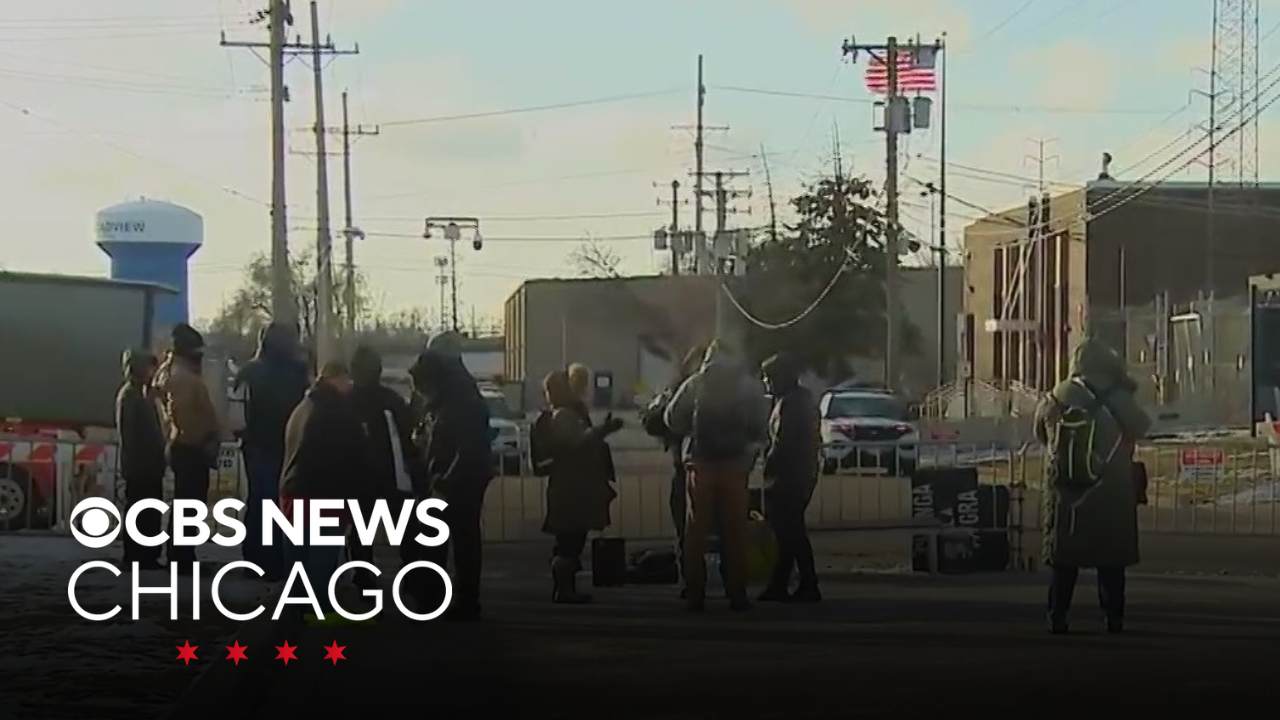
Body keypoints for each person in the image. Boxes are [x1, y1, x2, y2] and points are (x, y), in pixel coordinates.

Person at [1035, 336, 1151, 635]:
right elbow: (1142, 425)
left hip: (1067, 491)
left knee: (1065, 562)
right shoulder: (1118, 396)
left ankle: (1057, 616)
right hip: (1110, 490)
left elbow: (1041, 432)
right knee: (1111, 563)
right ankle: (1113, 619)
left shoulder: (1057, 394)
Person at [663, 339, 770, 612]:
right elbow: (761, 424)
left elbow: (671, 418)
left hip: (701, 463)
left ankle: (695, 593)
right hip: (735, 465)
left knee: (695, 530)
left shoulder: (696, 383)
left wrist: (690, 434)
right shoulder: (747, 386)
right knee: (735, 530)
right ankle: (737, 593)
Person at [406, 331, 494, 621]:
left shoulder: (456, 398)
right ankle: (455, 598)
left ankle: (440, 598)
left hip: (454, 477)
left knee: (446, 537)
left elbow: (467, 447)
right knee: (460, 537)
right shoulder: (457, 393)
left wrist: (444, 482)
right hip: (455, 475)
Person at [279, 361, 371, 625]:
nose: (350, 386)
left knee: (297, 559)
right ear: (338, 379)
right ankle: (321, 615)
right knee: (321, 558)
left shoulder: (302, 407)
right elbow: (356, 459)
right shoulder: (340, 413)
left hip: (292, 491)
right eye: (347, 381)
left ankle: (292, 615)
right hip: (325, 495)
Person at [233, 322, 309, 581]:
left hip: (256, 446)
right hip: (288, 445)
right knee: (282, 505)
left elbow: (237, 415)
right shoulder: (298, 371)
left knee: (258, 503)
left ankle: (255, 560)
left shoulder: (249, 371)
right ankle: (279, 560)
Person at [539, 369, 622, 603]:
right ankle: (564, 589)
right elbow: (575, 443)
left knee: (572, 538)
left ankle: (566, 587)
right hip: (571, 487)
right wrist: (601, 431)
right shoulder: (563, 416)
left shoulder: (565, 414)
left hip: (572, 485)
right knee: (569, 540)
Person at [347, 344, 425, 590]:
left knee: (361, 534)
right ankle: (413, 579)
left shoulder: (346, 401)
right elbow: (407, 434)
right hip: (393, 476)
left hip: (359, 478)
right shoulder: (390, 400)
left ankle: (364, 580)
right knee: (406, 532)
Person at [153, 323, 221, 573]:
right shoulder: (183, 377)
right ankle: (181, 556)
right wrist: (204, 439)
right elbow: (184, 416)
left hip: (184, 445)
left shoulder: (170, 372)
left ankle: (181, 554)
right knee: (189, 504)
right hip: (190, 446)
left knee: (187, 503)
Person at [758, 352, 822, 603]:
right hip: (799, 473)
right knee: (790, 530)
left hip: (790, 475)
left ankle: (805, 583)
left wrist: (767, 465)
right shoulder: (796, 399)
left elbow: (783, 442)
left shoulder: (791, 403)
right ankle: (783, 583)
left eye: (768, 378)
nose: (766, 383)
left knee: (789, 530)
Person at [116, 348, 167, 570]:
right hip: (142, 465)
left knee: (145, 509)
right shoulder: (133, 397)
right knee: (144, 511)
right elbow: (144, 434)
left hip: (142, 465)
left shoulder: (135, 394)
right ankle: (141, 555)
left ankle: (141, 554)